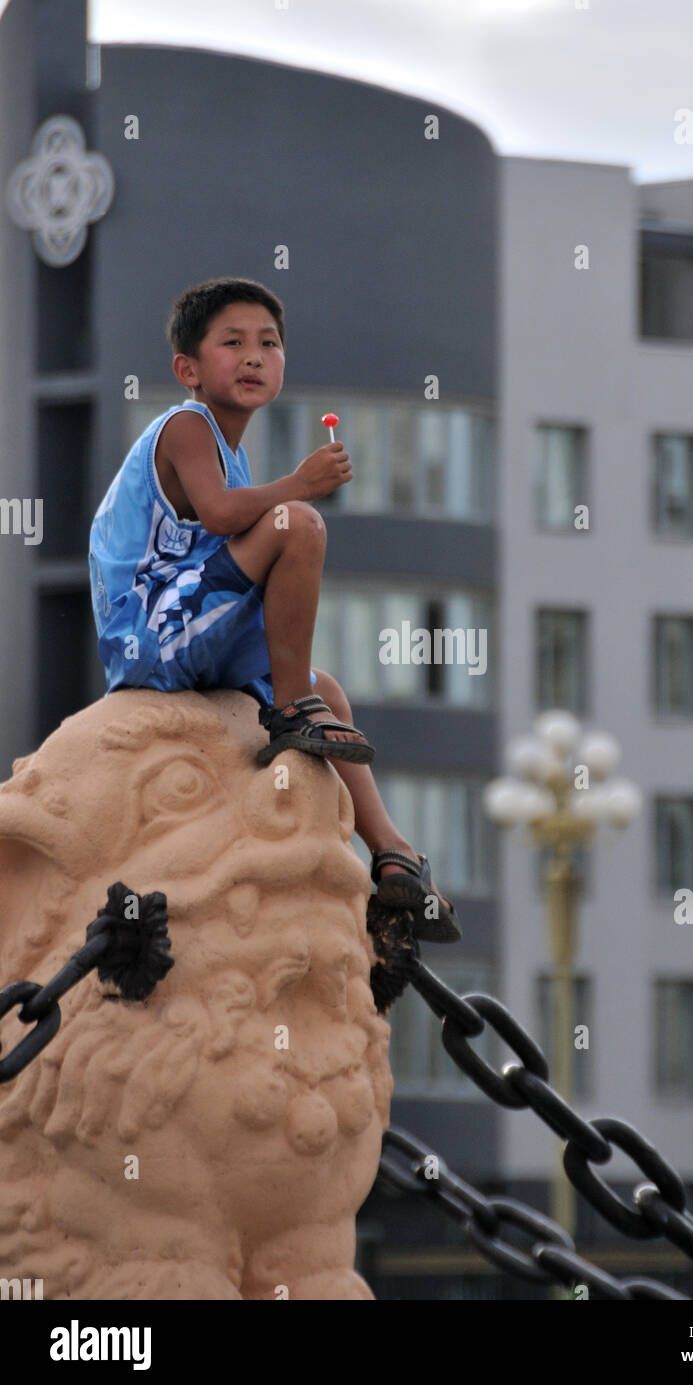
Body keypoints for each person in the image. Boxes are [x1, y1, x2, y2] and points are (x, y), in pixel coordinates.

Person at [88, 275, 460, 944]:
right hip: (153, 629)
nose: (255, 356)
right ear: (188, 369)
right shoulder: (186, 426)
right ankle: (289, 708)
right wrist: (300, 484)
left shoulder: (231, 451)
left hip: (195, 620)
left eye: (269, 343)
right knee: (300, 524)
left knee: (332, 692)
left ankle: (393, 855)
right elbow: (225, 513)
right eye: (233, 342)